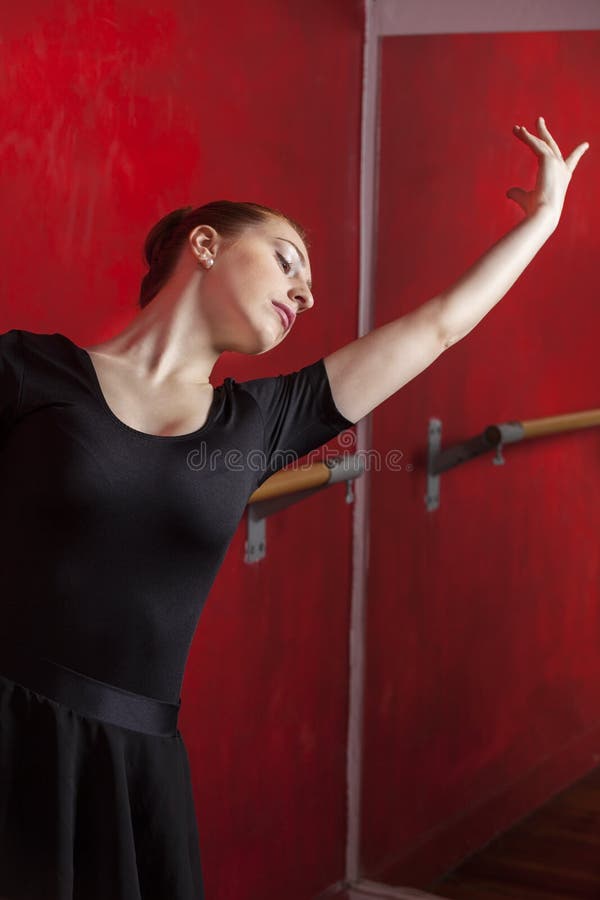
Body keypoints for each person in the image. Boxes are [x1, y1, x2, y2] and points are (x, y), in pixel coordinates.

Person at [0, 117, 588, 899]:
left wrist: (544, 221)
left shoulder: (260, 422)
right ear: (204, 246)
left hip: (134, 763)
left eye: (306, 287)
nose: (305, 294)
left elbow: (440, 325)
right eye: (287, 262)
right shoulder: (26, 370)